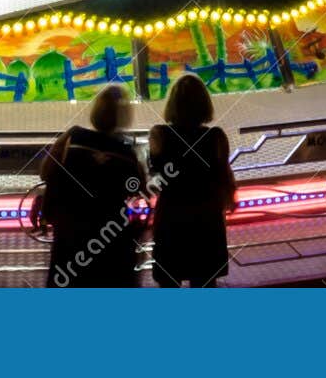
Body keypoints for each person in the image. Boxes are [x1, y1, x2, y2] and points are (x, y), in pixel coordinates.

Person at [41, 85, 145, 287]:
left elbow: (46, 172)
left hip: (70, 232)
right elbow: (137, 189)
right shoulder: (127, 154)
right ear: (125, 116)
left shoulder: (73, 137)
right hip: (110, 239)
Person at [148, 73, 235, 288]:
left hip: (171, 217)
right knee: (205, 281)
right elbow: (224, 177)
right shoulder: (216, 137)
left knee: (168, 281)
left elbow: (154, 179)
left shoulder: (159, 135)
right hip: (206, 219)